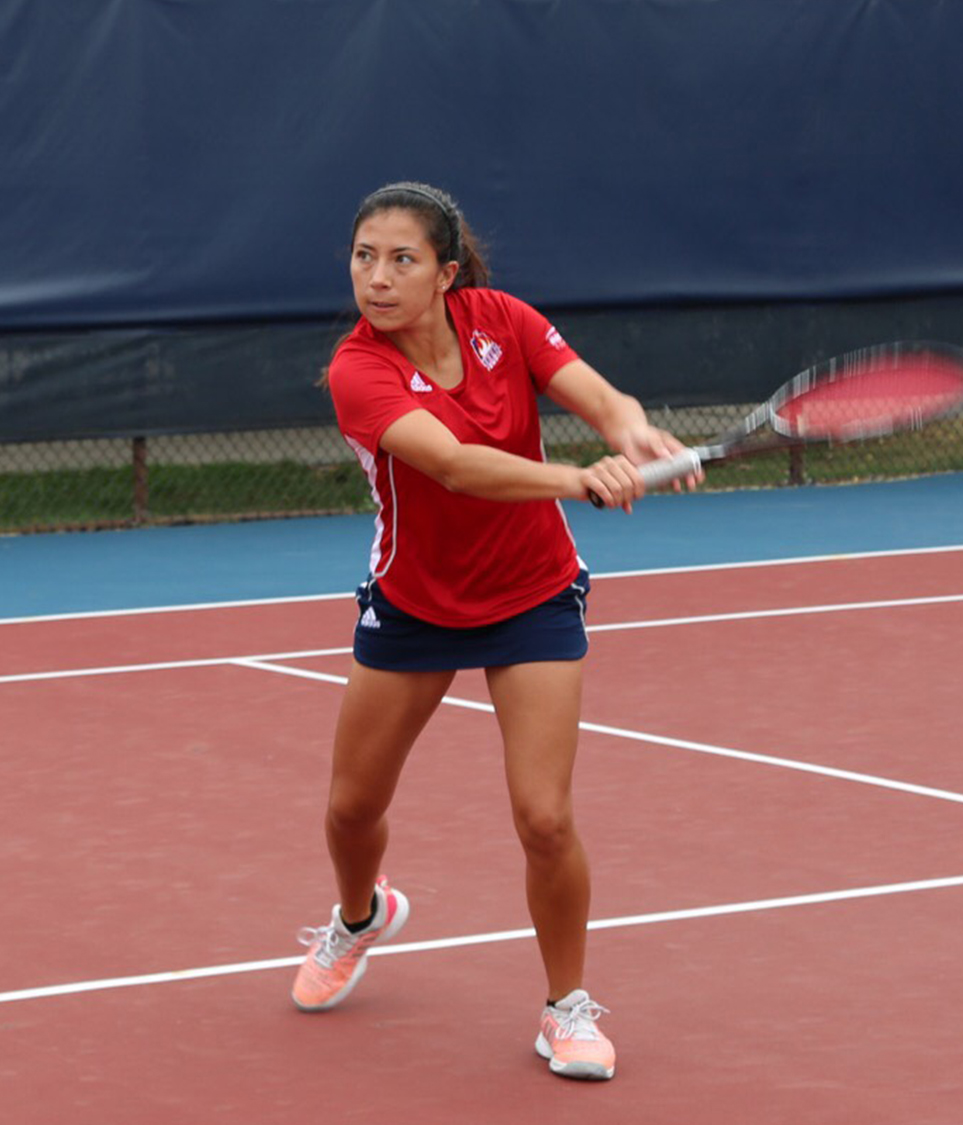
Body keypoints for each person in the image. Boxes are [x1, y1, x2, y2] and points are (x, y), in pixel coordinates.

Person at [289, 181, 699, 1081]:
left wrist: (632, 434)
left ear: (446, 270)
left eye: (402, 259)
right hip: (415, 604)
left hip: (532, 594)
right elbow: (457, 467)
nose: (378, 277)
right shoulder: (359, 370)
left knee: (545, 816)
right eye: (364, 256)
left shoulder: (501, 319)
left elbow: (594, 392)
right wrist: (578, 481)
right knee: (352, 808)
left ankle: (566, 1008)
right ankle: (360, 916)